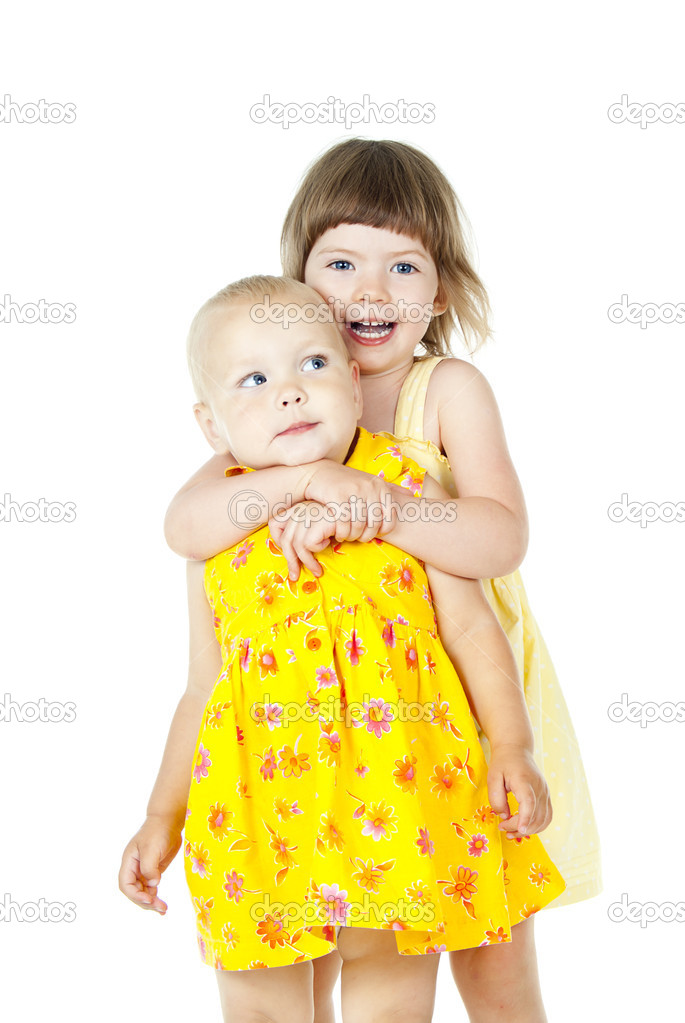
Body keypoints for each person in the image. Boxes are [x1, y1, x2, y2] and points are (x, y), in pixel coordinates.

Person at [163, 139, 600, 1022]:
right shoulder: (273, 406)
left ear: (440, 289)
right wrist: (309, 480)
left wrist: (379, 506)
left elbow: (498, 535)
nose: (371, 292)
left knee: (487, 936)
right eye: (342, 263)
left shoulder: (445, 389)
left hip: (454, 689)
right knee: (320, 936)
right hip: (316, 726)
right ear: (298, 279)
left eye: (403, 265)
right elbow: (187, 526)